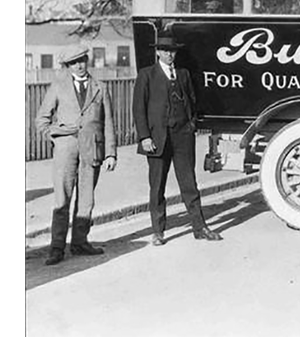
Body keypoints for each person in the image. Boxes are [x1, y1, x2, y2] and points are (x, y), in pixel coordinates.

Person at [134, 36, 222, 245]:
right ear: (158, 52)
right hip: (157, 139)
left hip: (183, 137)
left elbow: (191, 100)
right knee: (157, 186)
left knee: (189, 183)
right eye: (164, 51)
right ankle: (158, 232)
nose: (169, 54)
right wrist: (145, 136)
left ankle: (200, 228)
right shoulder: (147, 75)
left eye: (172, 51)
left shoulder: (183, 74)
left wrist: (191, 125)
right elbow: (138, 109)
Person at [35, 45, 117, 266]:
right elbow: (42, 119)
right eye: (74, 62)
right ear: (68, 66)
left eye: (82, 60)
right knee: (62, 198)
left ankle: (80, 242)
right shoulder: (58, 86)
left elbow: (108, 122)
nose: (79, 66)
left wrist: (110, 153)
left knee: (86, 198)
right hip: (66, 150)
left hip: (92, 148)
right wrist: (57, 137)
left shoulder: (100, 87)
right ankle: (57, 247)